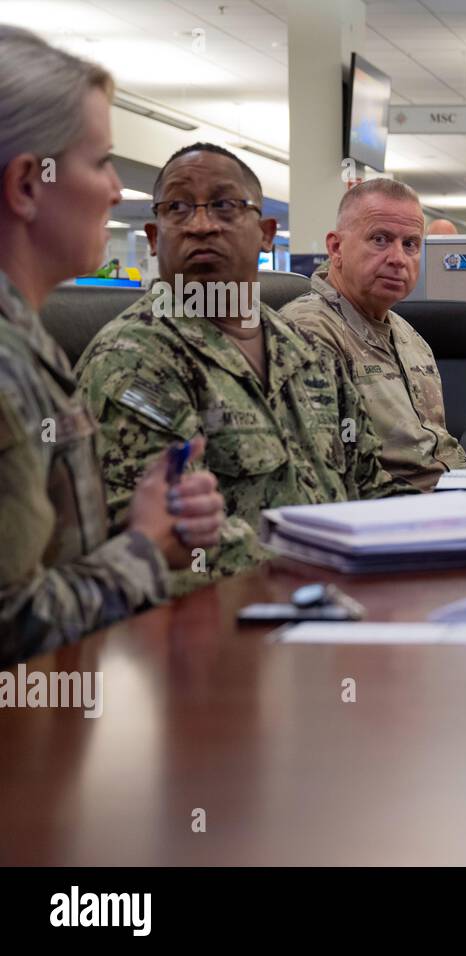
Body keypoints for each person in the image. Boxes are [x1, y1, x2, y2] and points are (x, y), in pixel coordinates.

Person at [76, 142, 411, 580]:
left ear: (266, 234)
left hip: (335, 607)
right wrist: (328, 568)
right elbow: (169, 548)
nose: (201, 225)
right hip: (221, 621)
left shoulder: (308, 353)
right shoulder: (133, 361)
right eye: (178, 208)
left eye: (224, 206)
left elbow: (369, 488)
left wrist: (443, 537)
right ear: (156, 237)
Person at [0, 27, 224, 664]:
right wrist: (147, 548)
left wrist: (144, 523)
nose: (114, 191)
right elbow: (13, 628)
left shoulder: (25, 341)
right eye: (100, 162)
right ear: (25, 185)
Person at [280, 179, 466, 489]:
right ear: (335, 247)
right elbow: (330, 477)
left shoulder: (407, 334)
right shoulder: (309, 332)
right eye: (380, 239)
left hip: (460, 492)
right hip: (400, 515)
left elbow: (440, 448)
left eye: (410, 244)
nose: (398, 258)